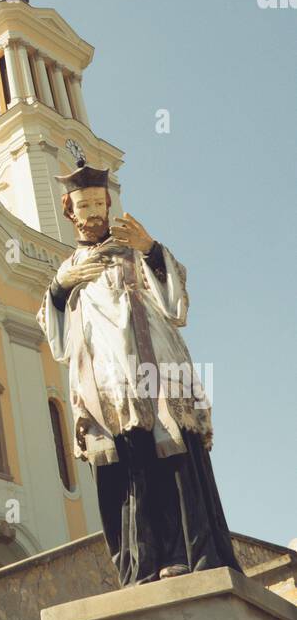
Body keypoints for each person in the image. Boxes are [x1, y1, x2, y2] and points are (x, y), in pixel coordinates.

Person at [37, 155, 240, 587]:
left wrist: (149, 248)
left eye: (98, 204)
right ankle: (140, 567)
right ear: (69, 211)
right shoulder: (68, 269)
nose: (92, 214)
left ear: (108, 206)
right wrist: (60, 289)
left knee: (175, 467)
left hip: (157, 380)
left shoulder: (136, 248)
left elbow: (176, 304)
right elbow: (57, 338)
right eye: (83, 206)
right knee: (126, 478)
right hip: (108, 392)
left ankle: (192, 555)